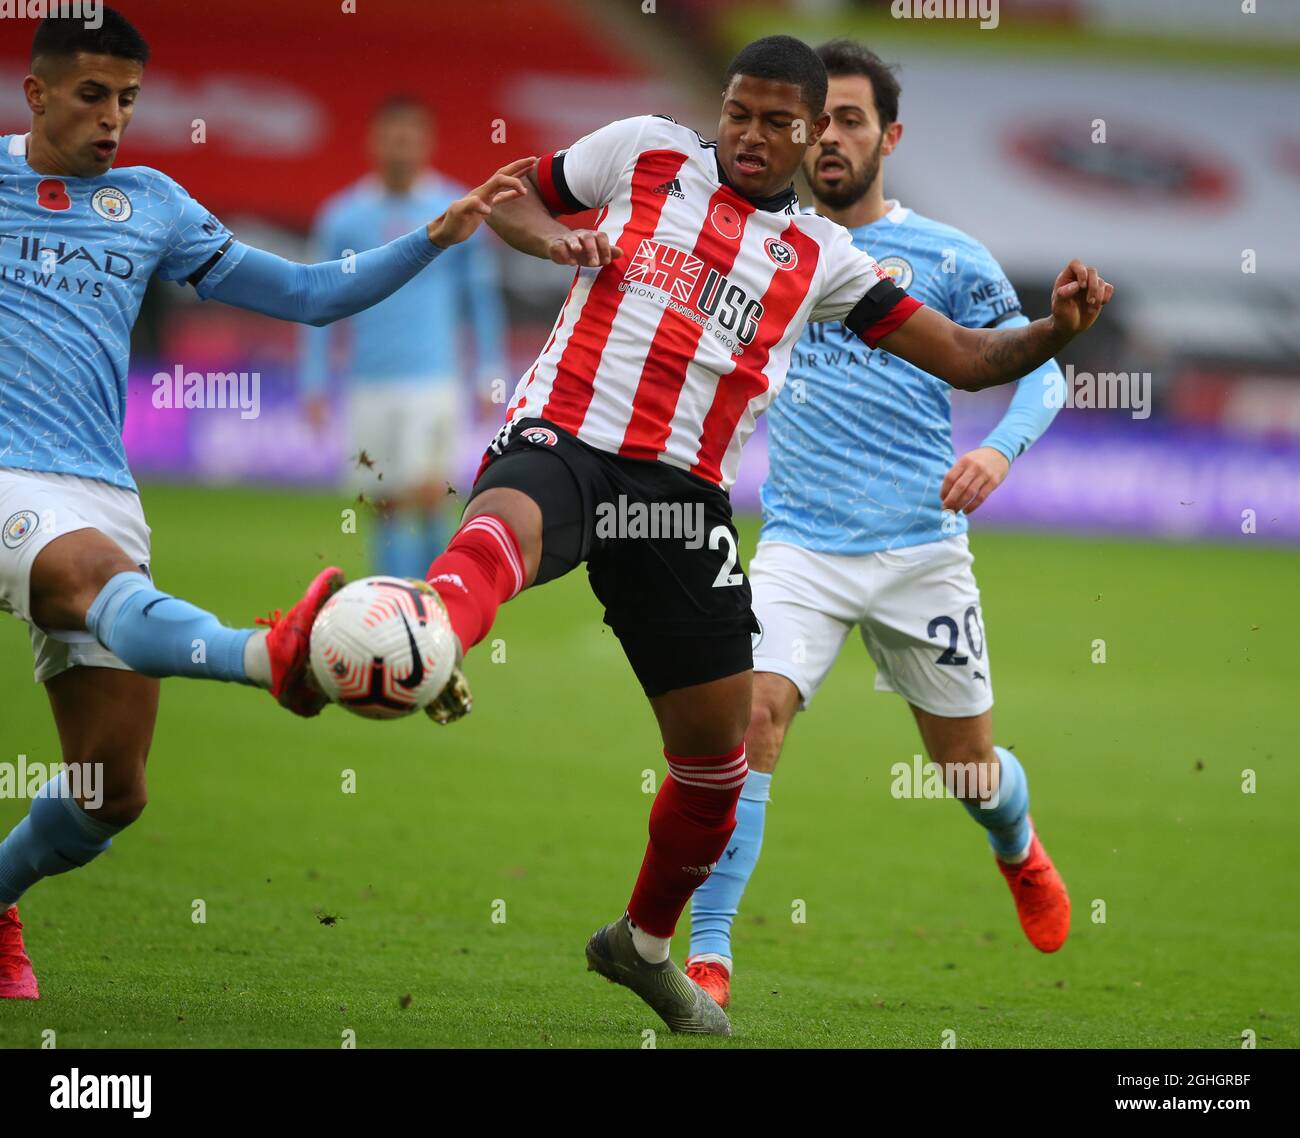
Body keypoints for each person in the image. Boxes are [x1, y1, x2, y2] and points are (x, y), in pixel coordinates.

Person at [416, 33, 1112, 1035]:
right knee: (727, 708)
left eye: (798, 121)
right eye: (743, 112)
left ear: (841, 133)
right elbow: (517, 192)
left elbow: (969, 356)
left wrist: (1052, 340)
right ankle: (702, 948)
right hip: (696, 494)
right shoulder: (647, 151)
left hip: (825, 528)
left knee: (885, 766)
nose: (766, 135)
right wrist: (554, 238)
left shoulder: (851, 261)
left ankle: (999, 847)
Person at [0, 8, 529, 999]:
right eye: (91, 95)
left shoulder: (152, 203)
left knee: (108, 793)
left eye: (127, 100)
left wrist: (431, 237)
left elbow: (308, 293)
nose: (114, 117)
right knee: (87, 577)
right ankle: (273, 651)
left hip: (104, 490)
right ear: (34, 92)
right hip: (6, 476)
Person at [685, 40, 1073, 1011]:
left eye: (852, 119)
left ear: (888, 136)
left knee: (966, 769)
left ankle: (1015, 845)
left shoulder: (946, 255)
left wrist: (997, 451)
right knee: (751, 719)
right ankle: (709, 952)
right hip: (800, 548)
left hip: (918, 551)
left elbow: (1040, 368)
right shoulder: (768, 242)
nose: (830, 138)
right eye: (819, 120)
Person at [301, 95, 508, 576]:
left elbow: (480, 301)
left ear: (426, 142)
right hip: (367, 380)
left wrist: (489, 371)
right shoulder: (343, 216)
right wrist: (313, 379)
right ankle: (390, 601)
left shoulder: (456, 209)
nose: (400, 146)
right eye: (392, 136)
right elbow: (316, 300)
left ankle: (430, 602)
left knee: (429, 494)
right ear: (374, 142)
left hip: (431, 379)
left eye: (410, 137)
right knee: (384, 502)